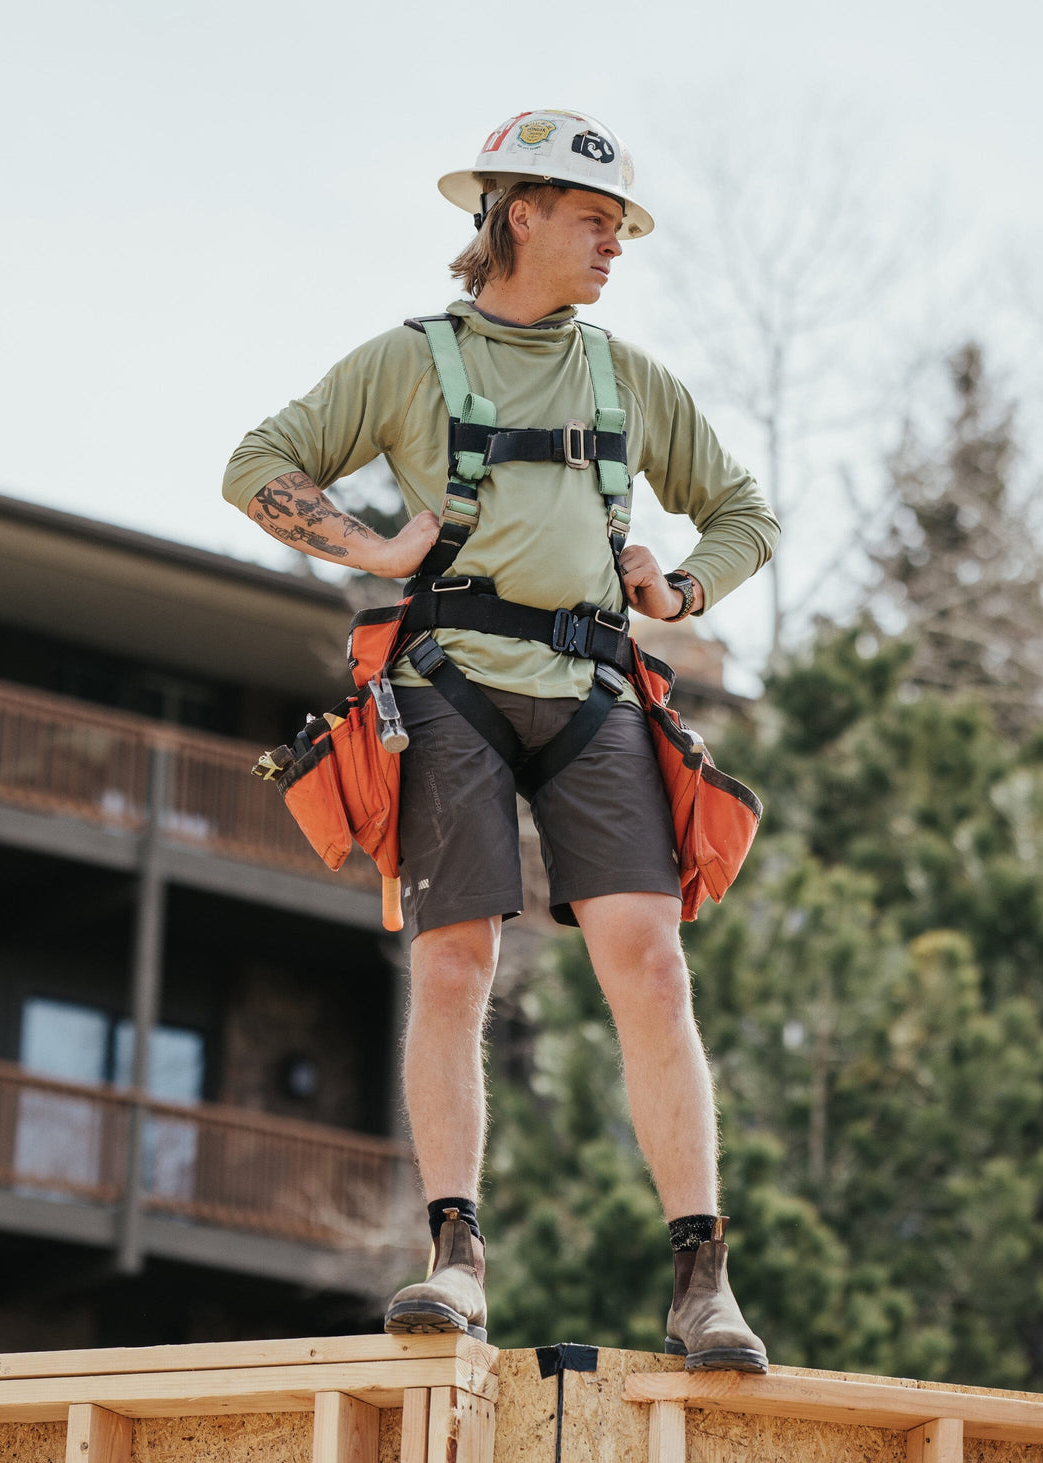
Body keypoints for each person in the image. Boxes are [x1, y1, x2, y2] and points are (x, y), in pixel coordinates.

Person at [224, 109, 779, 1372]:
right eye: (596, 220)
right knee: (456, 962)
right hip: (451, 680)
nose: (615, 246)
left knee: (649, 962)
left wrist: (681, 590)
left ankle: (703, 1276)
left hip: (593, 683)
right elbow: (257, 463)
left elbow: (744, 511)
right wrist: (369, 548)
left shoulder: (629, 377)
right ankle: (455, 1257)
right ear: (517, 211)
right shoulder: (411, 361)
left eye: (621, 226)